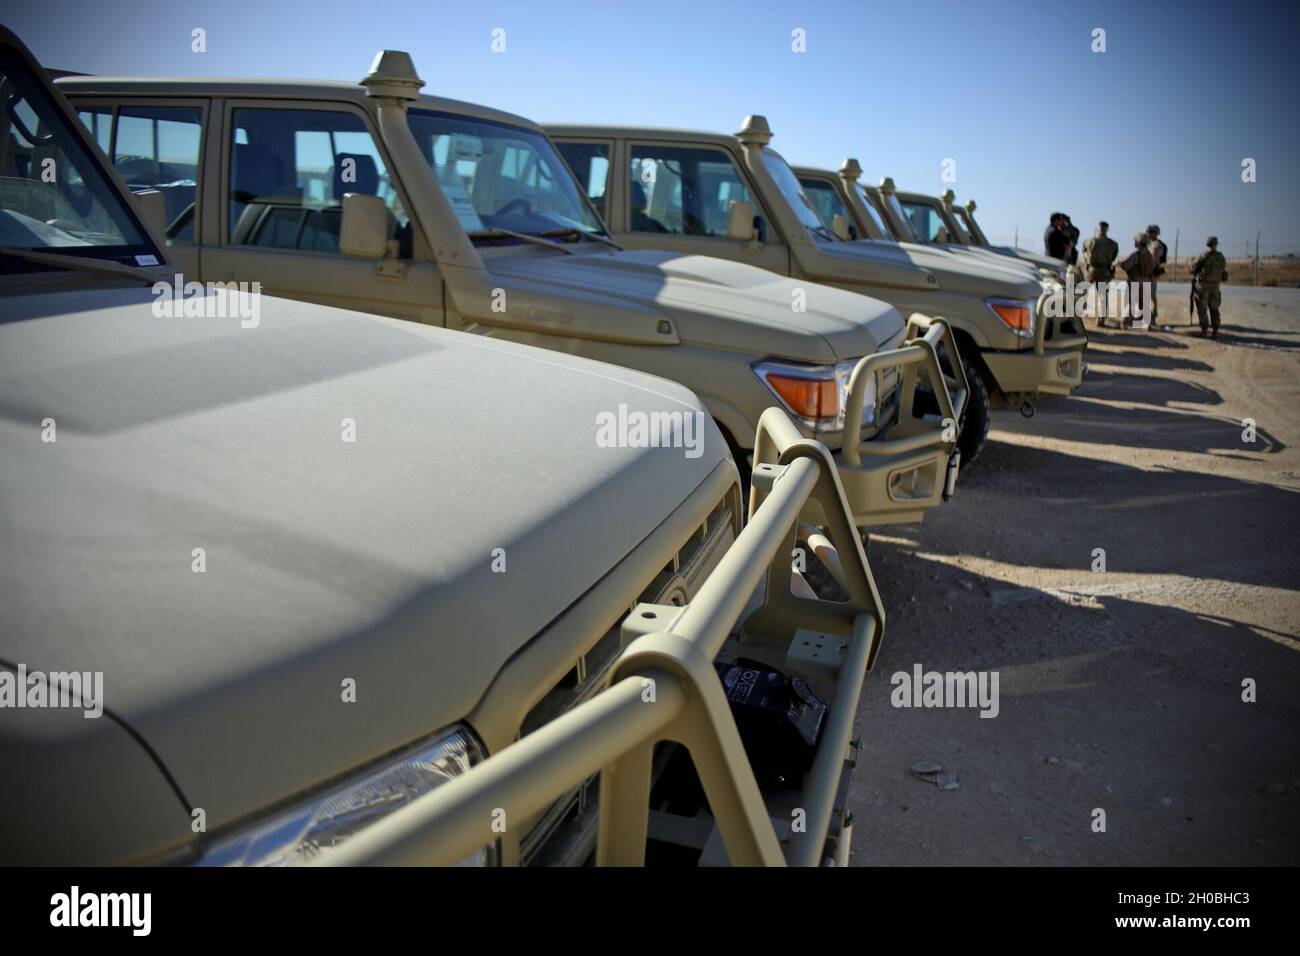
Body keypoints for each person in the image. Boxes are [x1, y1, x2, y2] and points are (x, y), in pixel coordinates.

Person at [1082, 222, 1120, 325]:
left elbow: (1084, 253)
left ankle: (1077, 317)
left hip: (1092, 270)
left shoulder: (1088, 241)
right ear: (1107, 229)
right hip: (1104, 270)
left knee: (1083, 292)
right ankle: (1101, 320)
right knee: (1103, 296)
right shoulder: (1112, 243)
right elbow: (1114, 256)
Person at [1191, 236, 1228, 338]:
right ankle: (1215, 332)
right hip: (1215, 286)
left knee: (1202, 309)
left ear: (1207, 244)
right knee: (1214, 308)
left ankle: (1204, 331)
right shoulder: (1221, 257)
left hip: (1203, 286)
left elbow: (1193, 268)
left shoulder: (1204, 255)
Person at [1119, 233, 1155, 327]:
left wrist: (1121, 263)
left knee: (1130, 302)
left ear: (1139, 242)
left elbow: (1126, 265)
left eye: (1135, 241)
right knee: (1145, 304)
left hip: (1135, 280)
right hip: (1146, 281)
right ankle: (1148, 324)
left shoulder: (1136, 254)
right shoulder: (1149, 255)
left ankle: (1125, 322)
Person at [1146, 224, 1168, 320]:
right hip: (1149, 272)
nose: (1148, 234)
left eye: (1150, 232)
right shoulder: (1150, 243)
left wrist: (1149, 271)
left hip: (1152, 272)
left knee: (1151, 293)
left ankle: (1153, 314)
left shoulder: (1156, 245)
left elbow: (1154, 260)